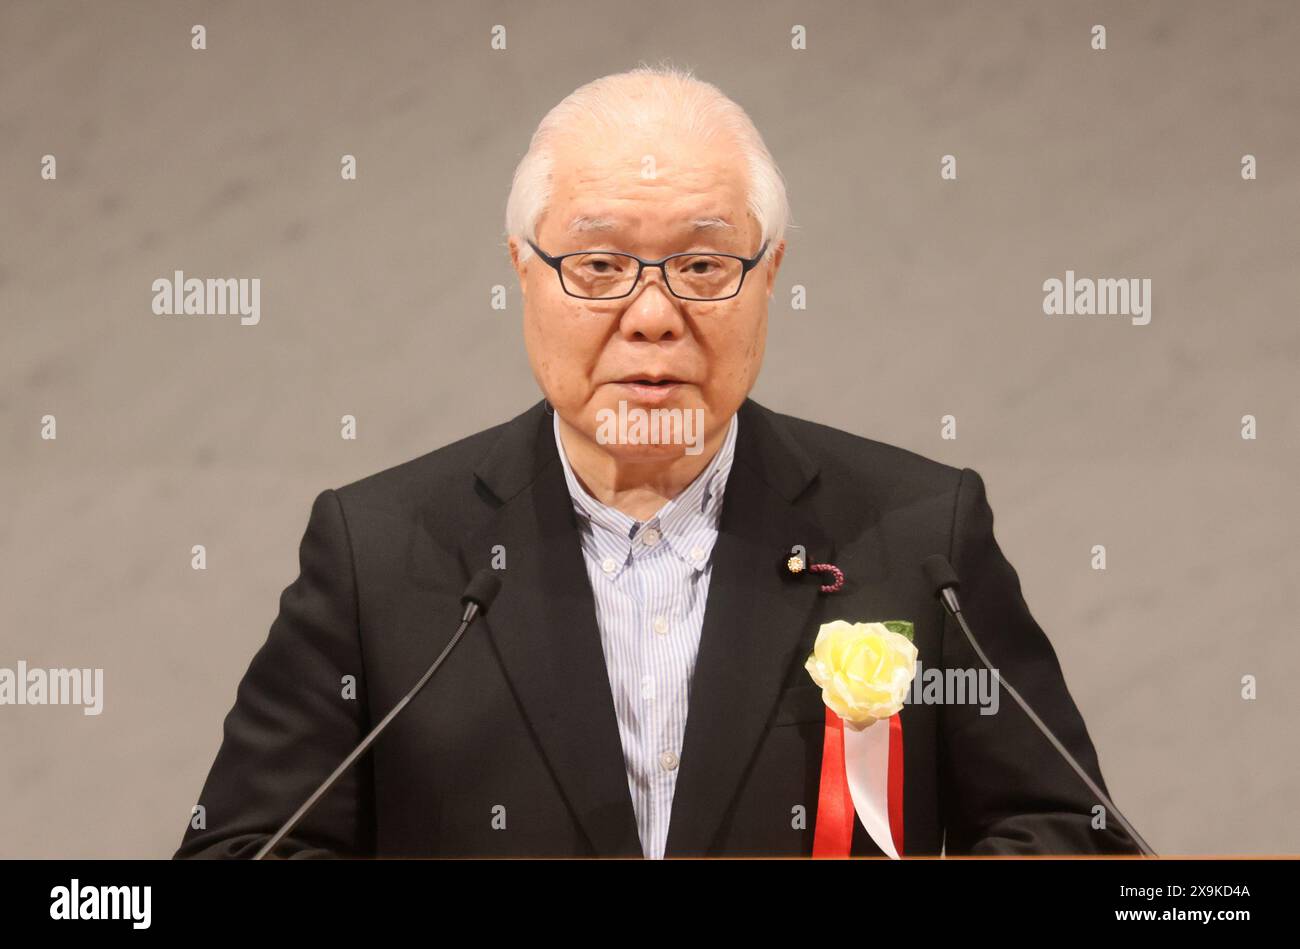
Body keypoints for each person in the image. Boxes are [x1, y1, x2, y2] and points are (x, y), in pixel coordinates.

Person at [175, 65, 1140, 859]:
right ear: (522, 270)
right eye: (597, 267)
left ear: (770, 278)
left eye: (704, 266)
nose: (650, 312)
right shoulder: (377, 553)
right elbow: (242, 848)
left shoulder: (921, 536)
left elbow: (1069, 832)